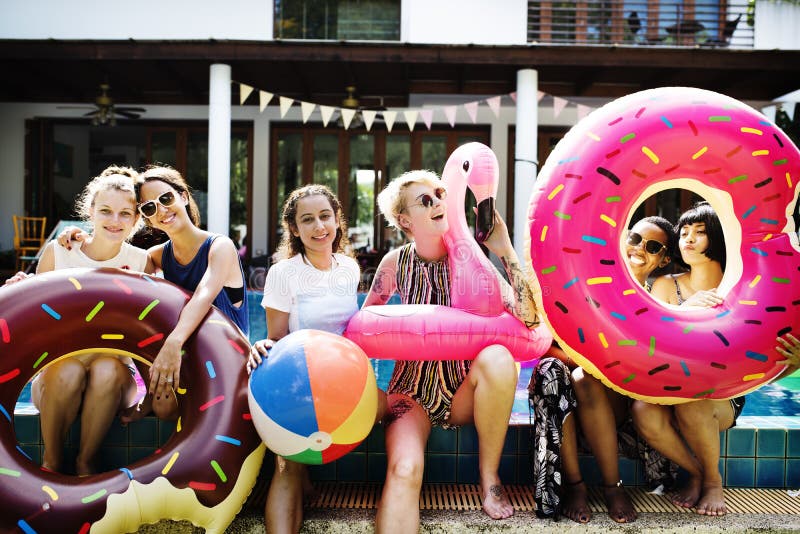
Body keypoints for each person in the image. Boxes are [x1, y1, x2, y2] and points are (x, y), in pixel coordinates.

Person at [365, 170, 540, 532]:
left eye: (441, 194)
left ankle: (489, 478)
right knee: (403, 469)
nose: (439, 203)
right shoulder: (394, 264)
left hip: (462, 390)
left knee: (499, 359)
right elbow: (365, 330)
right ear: (404, 220)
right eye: (425, 200)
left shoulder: (472, 263)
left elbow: (529, 317)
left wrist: (504, 249)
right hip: (409, 393)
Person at [630, 201, 796, 517]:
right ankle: (697, 472)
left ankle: (713, 482)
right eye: (684, 232)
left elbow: (768, 351)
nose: (688, 239)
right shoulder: (667, 285)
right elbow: (653, 341)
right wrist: (685, 309)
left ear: (717, 238)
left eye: (700, 233)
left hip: (721, 396)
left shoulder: (741, 286)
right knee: (642, 411)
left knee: (693, 398)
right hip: (669, 390)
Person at [246, 184, 387, 534]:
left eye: (325, 216)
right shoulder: (283, 273)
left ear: (337, 219)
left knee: (399, 408)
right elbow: (277, 338)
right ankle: (299, 475)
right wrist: (260, 347)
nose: (318, 226)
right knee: (286, 463)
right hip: (300, 384)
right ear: (294, 228)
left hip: (343, 383)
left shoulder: (349, 269)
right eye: (307, 220)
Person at [59, 165, 249, 422]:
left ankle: (156, 396)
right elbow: (113, 264)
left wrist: (173, 343)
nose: (161, 210)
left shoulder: (220, 246)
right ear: (146, 218)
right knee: (138, 311)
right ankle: (152, 394)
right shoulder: (157, 255)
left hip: (227, 360)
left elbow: (203, 295)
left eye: (166, 198)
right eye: (149, 208)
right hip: (189, 359)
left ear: (183, 196)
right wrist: (81, 239)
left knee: (167, 406)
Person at [4, 166, 154, 475]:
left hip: (113, 378)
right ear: (90, 211)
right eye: (106, 211)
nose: (115, 221)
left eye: (126, 213)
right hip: (57, 375)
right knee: (68, 366)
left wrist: (153, 392)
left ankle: (87, 461)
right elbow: (33, 318)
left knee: (107, 366)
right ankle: (52, 461)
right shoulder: (59, 253)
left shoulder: (140, 262)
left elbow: (147, 328)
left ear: (137, 219)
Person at [560, 216, 677, 523]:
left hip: (621, 398)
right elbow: (548, 340)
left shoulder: (661, 297)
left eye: (652, 247)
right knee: (577, 376)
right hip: (574, 393)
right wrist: (585, 359)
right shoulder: (589, 280)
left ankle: (613, 488)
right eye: (636, 239)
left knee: (588, 378)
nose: (640, 248)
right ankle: (577, 486)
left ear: (664, 259)